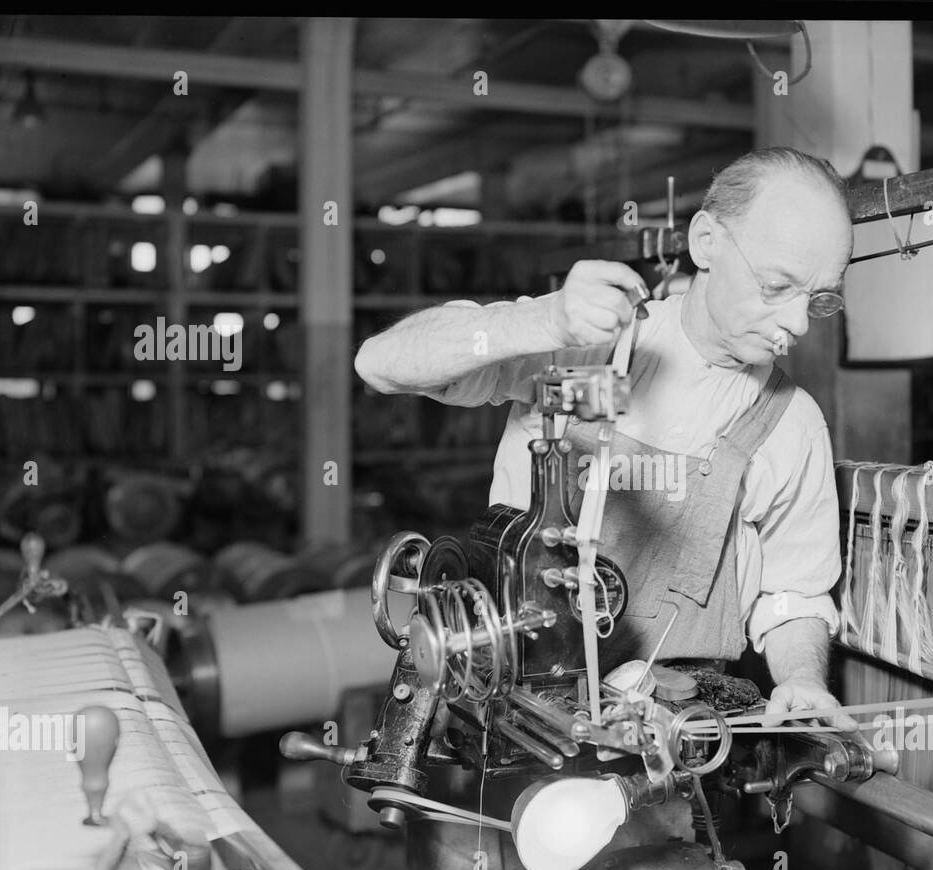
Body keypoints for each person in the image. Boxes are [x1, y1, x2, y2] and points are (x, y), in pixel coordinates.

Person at [355, 146, 856, 732]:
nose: (798, 324)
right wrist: (541, 323)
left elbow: (792, 594)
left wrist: (801, 678)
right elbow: (380, 364)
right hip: (516, 711)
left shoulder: (788, 424)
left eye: (818, 299)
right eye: (777, 286)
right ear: (706, 242)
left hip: (675, 733)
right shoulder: (590, 351)